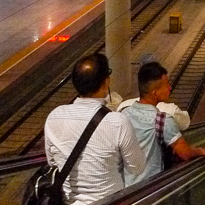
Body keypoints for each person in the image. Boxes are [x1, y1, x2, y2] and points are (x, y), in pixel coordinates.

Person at [44, 54, 145, 204]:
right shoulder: (117, 121)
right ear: (106, 83)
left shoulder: (54, 117)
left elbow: (52, 162)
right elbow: (137, 167)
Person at [122, 62, 205, 185]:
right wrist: (199, 151)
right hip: (150, 188)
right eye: (167, 84)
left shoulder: (123, 114)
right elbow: (185, 153)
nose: (170, 88)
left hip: (126, 189)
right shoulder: (163, 120)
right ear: (155, 92)